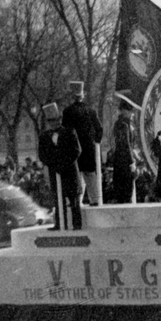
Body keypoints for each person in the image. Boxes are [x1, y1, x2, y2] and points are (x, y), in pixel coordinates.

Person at [38, 102, 82, 231]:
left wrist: (63, 164)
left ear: (60, 120)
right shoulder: (44, 137)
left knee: (73, 199)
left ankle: (77, 224)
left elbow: (76, 151)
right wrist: (53, 164)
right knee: (58, 200)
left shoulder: (70, 132)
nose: (54, 123)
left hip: (69, 171)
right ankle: (59, 224)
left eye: (56, 120)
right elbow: (42, 155)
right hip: (55, 172)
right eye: (51, 121)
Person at [62, 81, 104, 206]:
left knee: (77, 175)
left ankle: (77, 201)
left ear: (72, 96)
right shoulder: (91, 110)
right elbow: (99, 129)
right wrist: (96, 142)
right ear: (82, 95)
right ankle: (95, 199)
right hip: (89, 148)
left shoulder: (67, 111)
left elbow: (65, 130)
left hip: (74, 148)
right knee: (90, 174)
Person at [111, 96, 137, 204]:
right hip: (124, 163)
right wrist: (131, 162)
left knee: (125, 194)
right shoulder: (123, 124)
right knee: (126, 194)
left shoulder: (123, 123)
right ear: (124, 111)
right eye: (130, 111)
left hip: (121, 162)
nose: (132, 114)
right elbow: (125, 145)